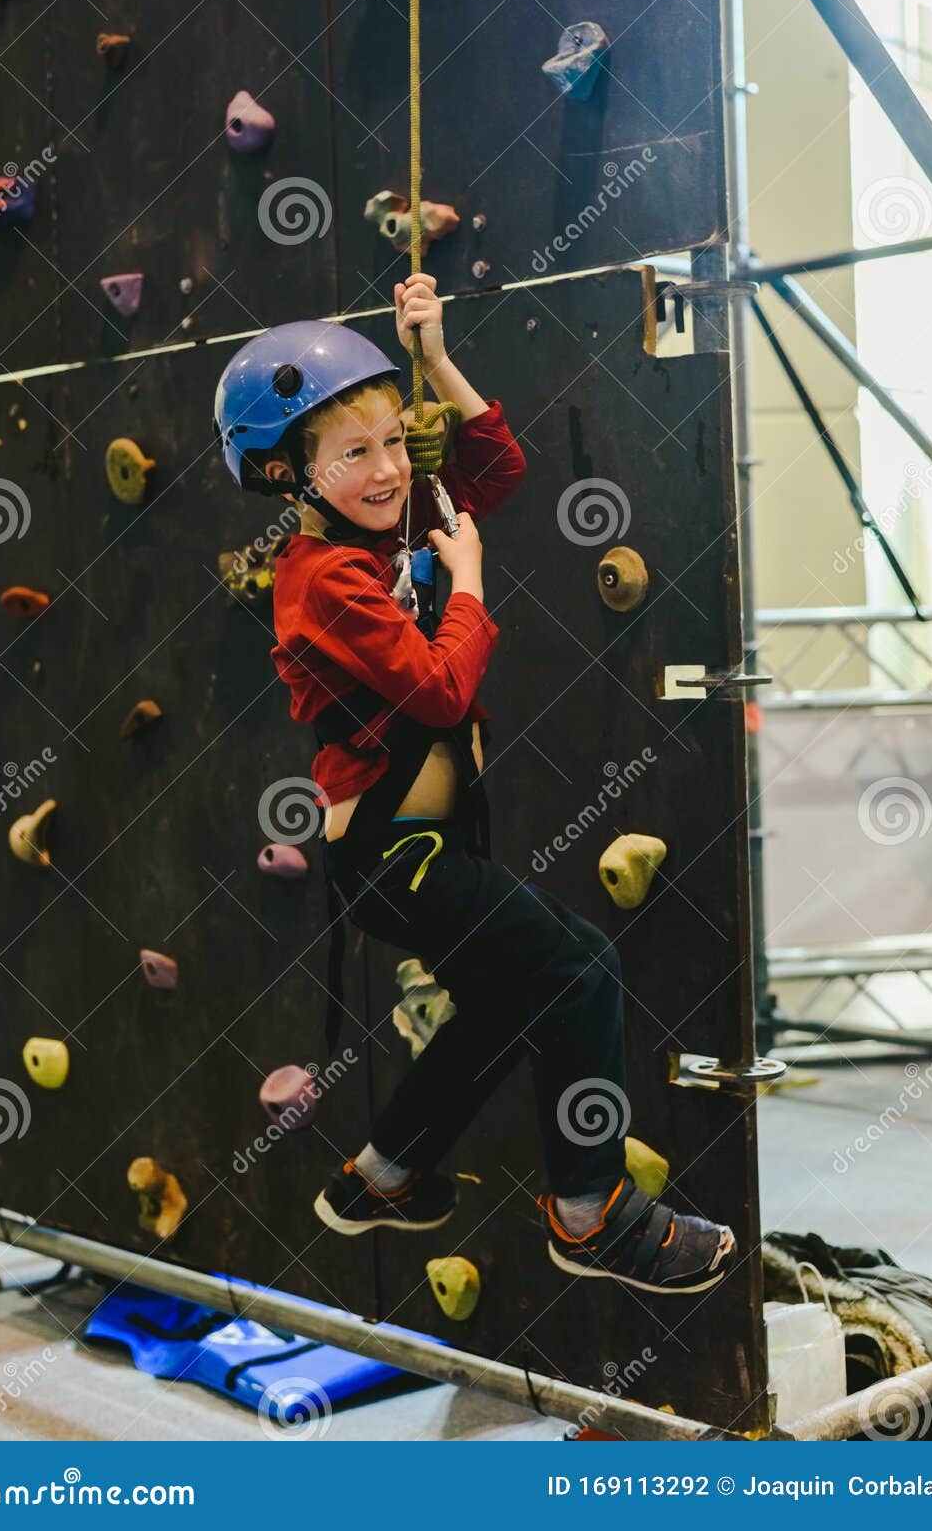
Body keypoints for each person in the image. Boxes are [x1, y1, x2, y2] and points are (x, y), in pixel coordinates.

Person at [213, 275, 737, 1294]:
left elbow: (497, 464)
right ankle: (590, 1213)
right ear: (291, 475)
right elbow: (441, 692)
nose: (385, 470)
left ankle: (385, 1173)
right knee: (579, 968)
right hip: (393, 851)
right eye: (352, 453)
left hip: (425, 840)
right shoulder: (321, 582)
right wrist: (472, 583)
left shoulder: (391, 527)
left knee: (505, 998)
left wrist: (438, 357)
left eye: (393, 444)